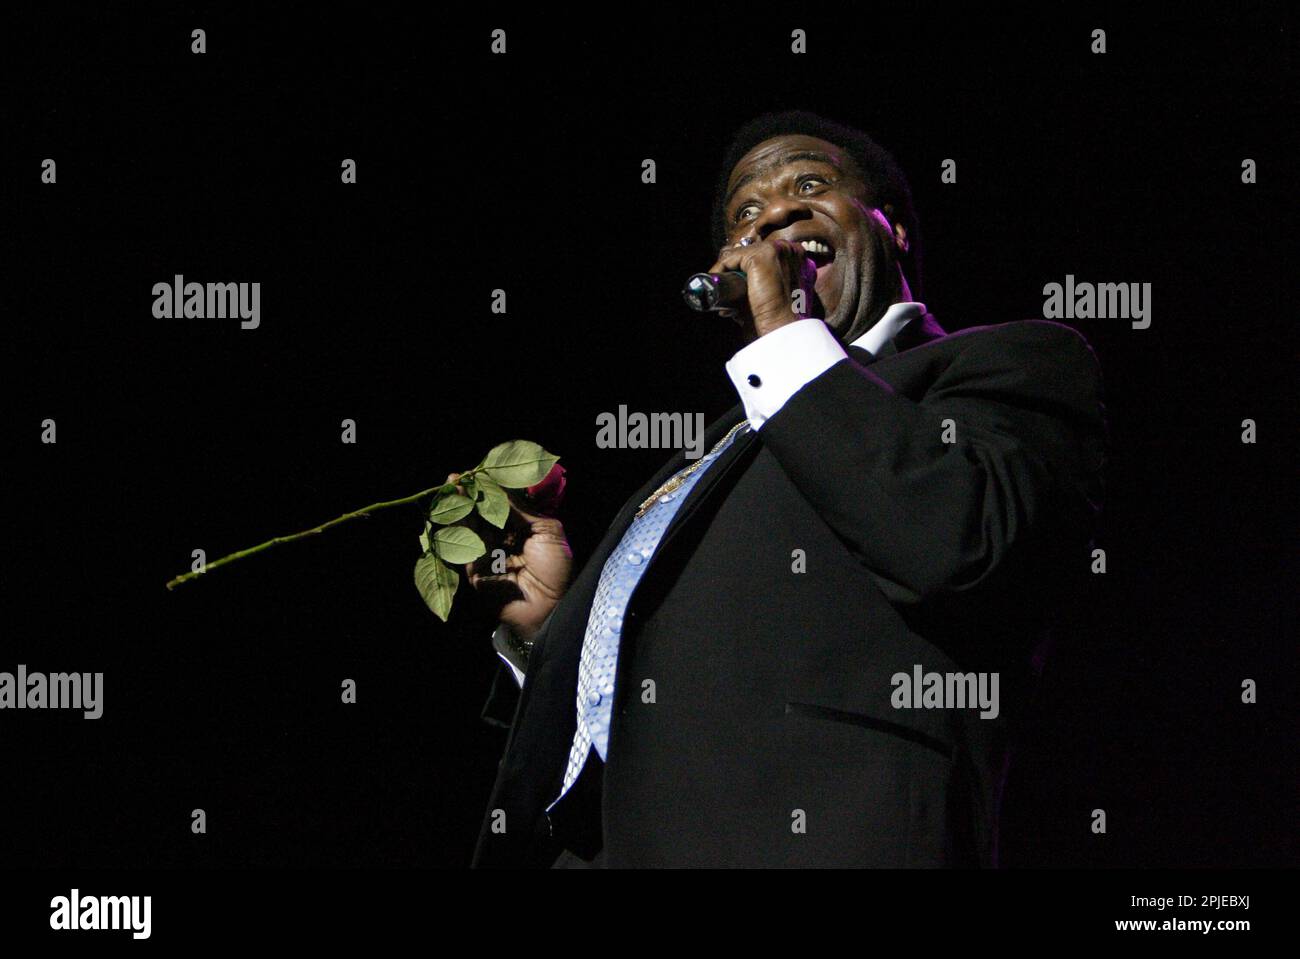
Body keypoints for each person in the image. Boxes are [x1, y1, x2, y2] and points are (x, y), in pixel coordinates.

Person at [449, 110, 1107, 868]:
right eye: (745, 213)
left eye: (809, 184)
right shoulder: (709, 453)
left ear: (891, 229)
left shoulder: (1004, 367)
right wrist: (551, 631)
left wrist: (781, 334)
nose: (774, 215)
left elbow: (961, 544)